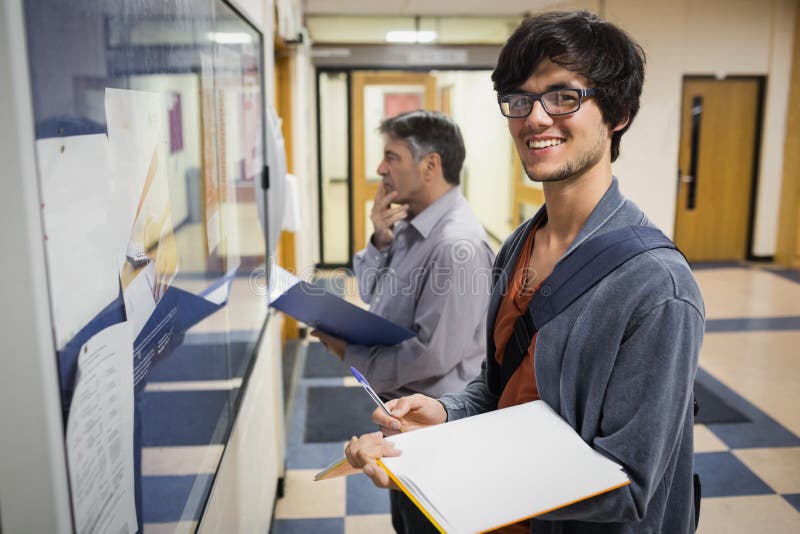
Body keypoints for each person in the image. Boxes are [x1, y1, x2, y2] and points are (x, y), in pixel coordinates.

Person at [344, 10, 705, 534]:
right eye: (519, 99)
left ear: (618, 112)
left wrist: (448, 470)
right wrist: (444, 414)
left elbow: (628, 489)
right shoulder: (519, 245)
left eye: (564, 97)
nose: (534, 118)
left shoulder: (656, 288)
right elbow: (498, 391)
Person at [312, 110, 495, 532]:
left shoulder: (455, 245)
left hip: (439, 430)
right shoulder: (415, 226)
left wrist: (350, 351)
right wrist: (379, 238)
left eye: (391, 157)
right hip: (407, 423)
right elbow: (379, 298)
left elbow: (433, 355)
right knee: (408, 522)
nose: (380, 169)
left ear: (430, 165)